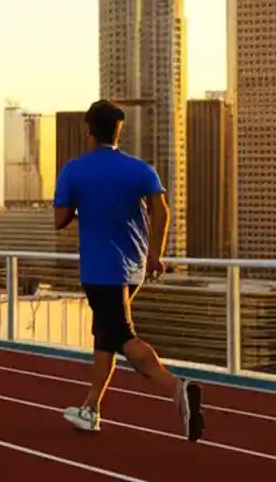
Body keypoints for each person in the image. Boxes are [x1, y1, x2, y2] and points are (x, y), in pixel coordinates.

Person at [52, 99, 205, 442]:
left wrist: (83, 206)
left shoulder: (74, 170)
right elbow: (161, 211)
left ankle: (177, 389)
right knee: (105, 335)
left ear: (88, 131)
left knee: (120, 335)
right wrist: (155, 254)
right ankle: (91, 409)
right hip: (134, 268)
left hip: (100, 270)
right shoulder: (140, 169)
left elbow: (59, 220)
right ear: (118, 131)